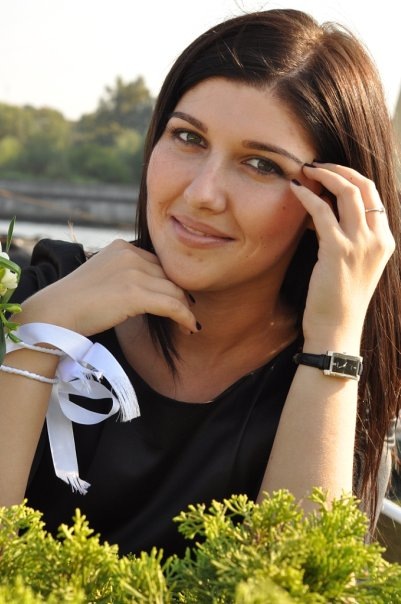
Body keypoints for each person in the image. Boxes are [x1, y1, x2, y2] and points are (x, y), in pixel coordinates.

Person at [0, 9, 400, 557]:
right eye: (188, 137)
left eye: (261, 165)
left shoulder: (338, 386)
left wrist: (333, 341)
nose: (202, 193)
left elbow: (297, 585)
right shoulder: (39, 289)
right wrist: (39, 329)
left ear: (328, 205)